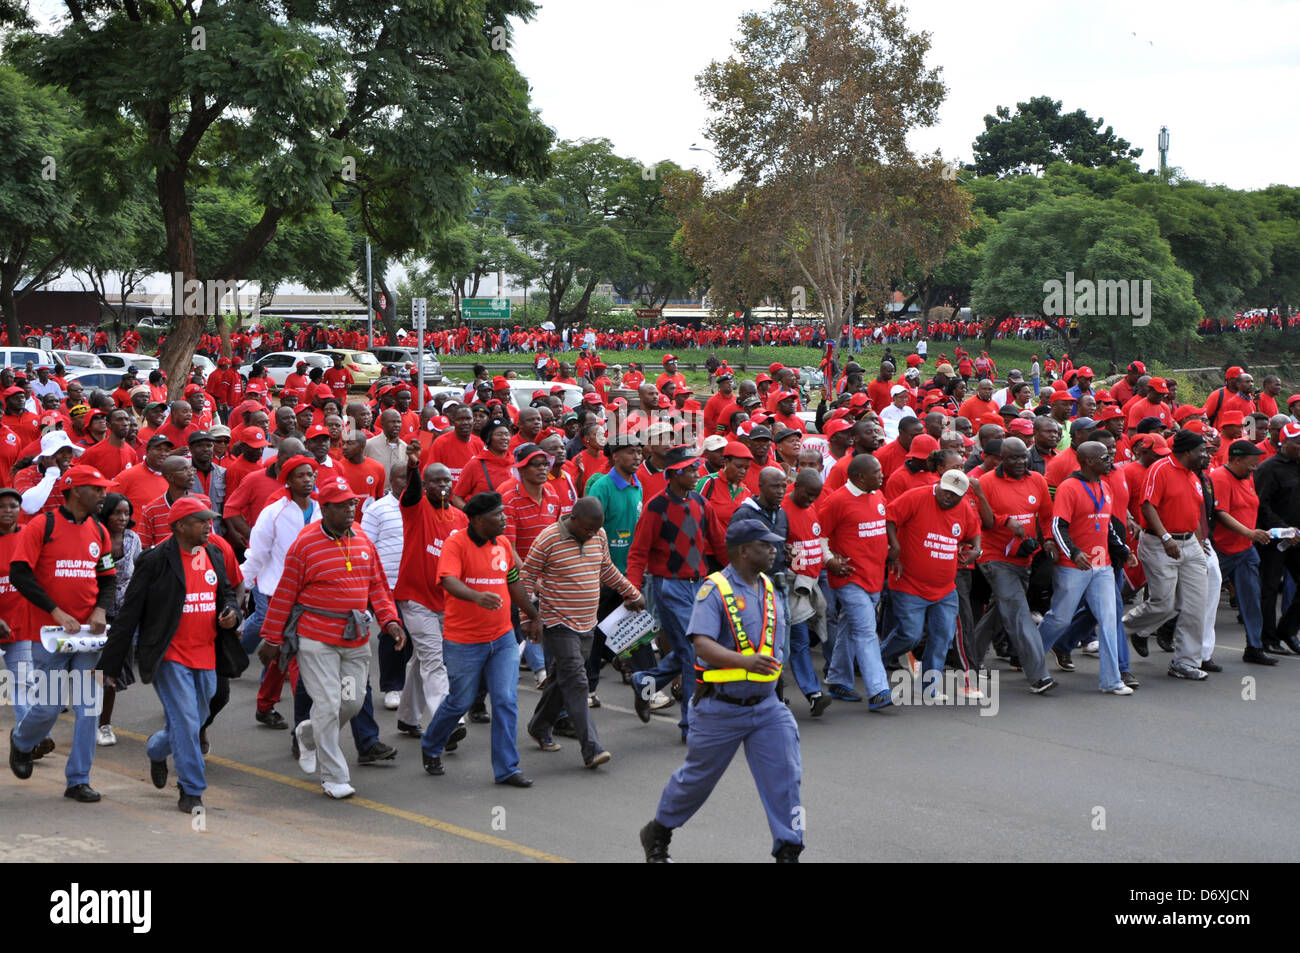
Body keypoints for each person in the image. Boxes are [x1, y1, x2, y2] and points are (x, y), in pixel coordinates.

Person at [639, 519, 802, 863]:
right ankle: (658, 832)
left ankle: (788, 850)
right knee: (696, 780)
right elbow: (701, 645)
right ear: (744, 551)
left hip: (767, 707)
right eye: (764, 545)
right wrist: (746, 662)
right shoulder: (714, 590)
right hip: (721, 707)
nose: (773, 550)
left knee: (786, 776)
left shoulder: (769, 586)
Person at [256, 474, 405, 799]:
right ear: (324, 509)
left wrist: (390, 621)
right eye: (341, 505)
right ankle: (334, 777)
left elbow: (378, 585)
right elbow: (285, 593)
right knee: (327, 704)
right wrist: (272, 637)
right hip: (316, 639)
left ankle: (308, 735)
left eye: (352, 503)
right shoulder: (304, 545)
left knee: (351, 702)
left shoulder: (363, 539)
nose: (350, 509)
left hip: (355, 639)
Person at [100, 497, 241, 812]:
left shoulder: (214, 553)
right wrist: (110, 665)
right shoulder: (154, 560)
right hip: (170, 655)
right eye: (200, 521)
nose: (208, 526)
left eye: (209, 520)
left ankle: (155, 748)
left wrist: (232, 613)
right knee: (188, 721)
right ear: (180, 526)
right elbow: (129, 613)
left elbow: (227, 594)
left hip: (207, 654)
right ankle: (191, 789)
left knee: (196, 718)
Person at [7, 465, 116, 803]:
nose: (103, 494)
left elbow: (108, 579)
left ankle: (78, 779)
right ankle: (22, 741)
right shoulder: (43, 525)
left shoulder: (99, 530)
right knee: (49, 707)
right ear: (75, 491)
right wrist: (55, 610)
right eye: (96, 489)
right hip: (49, 634)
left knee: (88, 709)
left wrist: (100, 610)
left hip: (87, 636)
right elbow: (20, 574)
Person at [420, 491, 541, 786]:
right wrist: (476, 597)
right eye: (497, 515)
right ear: (476, 520)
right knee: (459, 701)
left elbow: (513, 583)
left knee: (505, 700)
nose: (503, 519)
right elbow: (448, 580)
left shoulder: (503, 543)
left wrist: (532, 615)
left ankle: (507, 769)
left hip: (502, 638)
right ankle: (431, 744)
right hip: (464, 641)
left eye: (503, 513)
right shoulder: (455, 543)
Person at [522, 496, 643, 767]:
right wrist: (527, 617)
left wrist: (631, 592)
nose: (592, 534)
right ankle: (592, 749)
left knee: (561, 679)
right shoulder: (548, 539)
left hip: (587, 622)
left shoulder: (598, 535)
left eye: (596, 529)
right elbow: (526, 577)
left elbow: (606, 569)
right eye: (588, 529)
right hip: (558, 623)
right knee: (577, 681)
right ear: (573, 518)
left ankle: (539, 726)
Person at [1037, 442, 1132, 694]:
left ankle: (1112, 681)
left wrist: (1123, 550)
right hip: (1073, 566)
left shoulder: (1104, 486)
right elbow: (1058, 526)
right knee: (1060, 619)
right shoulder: (1069, 487)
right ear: (1089, 461)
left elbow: (1107, 525)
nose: (1110, 460)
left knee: (1109, 621)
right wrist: (1074, 552)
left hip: (1103, 566)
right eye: (1104, 457)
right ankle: (1032, 659)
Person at [879, 469, 982, 700]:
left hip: (945, 588)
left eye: (954, 495)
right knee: (910, 635)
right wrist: (894, 547)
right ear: (939, 485)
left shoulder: (964, 508)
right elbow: (889, 518)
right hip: (909, 584)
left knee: (942, 636)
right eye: (945, 492)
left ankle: (927, 687)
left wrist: (976, 550)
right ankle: (875, 660)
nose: (948, 497)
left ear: (963, 495)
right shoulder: (916, 497)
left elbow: (974, 532)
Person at [969, 437, 1057, 693]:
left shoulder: (1037, 479)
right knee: (1019, 612)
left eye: (1023, 457)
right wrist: (1005, 521)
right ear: (1001, 459)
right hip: (995, 557)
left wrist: (1048, 540)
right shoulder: (986, 482)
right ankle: (1039, 676)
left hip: (1025, 557)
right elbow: (978, 520)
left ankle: (968, 659)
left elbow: (1046, 516)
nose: (1020, 462)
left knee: (1000, 609)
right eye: (1013, 458)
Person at [393, 453, 469, 740]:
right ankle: (448, 720)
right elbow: (411, 491)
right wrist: (414, 467)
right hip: (416, 599)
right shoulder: (415, 507)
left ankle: (408, 717)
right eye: (436, 481)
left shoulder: (460, 517)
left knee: (423, 659)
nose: (443, 485)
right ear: (425, 485)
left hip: (446, 601)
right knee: (435, 659)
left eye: (447, 480)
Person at [241, 455, 321, 729]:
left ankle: (265, 705)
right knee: (297, 654)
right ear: (287, 480)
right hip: (278, 593)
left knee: (282, 653)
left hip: (312, 594)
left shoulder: (322, 510)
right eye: (300, 475)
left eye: (310, 474)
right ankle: (304, 724)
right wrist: (242, 588)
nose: (307, 480)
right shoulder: (273, 513)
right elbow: (257, 554)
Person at [1124, 429, 1211, 679]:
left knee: (1195, 605)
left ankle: (1185, 662)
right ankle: (1121, 629)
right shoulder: (1160, 469)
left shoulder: (1193, 475)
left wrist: (1199, 545)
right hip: (1160, 543)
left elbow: (1193, 513)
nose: (1205, 455)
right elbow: (1147, 505)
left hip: (1190, 543)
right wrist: (1165, 538)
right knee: (1163, 603)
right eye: (1201, 451)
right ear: (1187, 452)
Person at [817, 454, 892, 709]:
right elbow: (819, 535)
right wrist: (829, 560)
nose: (882, 475)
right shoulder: (837, 501)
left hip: (874, 576)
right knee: (866, 630)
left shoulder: (878, 495)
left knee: (850, 627)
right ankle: (878, 690)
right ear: (860, 477)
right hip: (850, 578)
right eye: (877, 472)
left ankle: (838, 679)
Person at [1210, 440, 1276, 665]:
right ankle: (1168, 628)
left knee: (1252, 599)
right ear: (1236, 460)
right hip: (1222, 549)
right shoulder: (1220, 477)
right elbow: (1220, 513)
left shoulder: (1247, 477)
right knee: (1200, 598)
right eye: (1251, 463)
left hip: (1245, 550)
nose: (1255, 468)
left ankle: (1254, 647)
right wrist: (1249, 532)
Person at [94, 493, 142, 747]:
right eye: (117, 513)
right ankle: (89, 718)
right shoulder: (95, 535)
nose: (122, 518)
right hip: (94, 612)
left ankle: (104, 724)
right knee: (94, 670)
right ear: (106, 513)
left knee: (111, 674)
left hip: (124, 615)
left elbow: (140, 573)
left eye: (126, 513)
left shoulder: (133, 539)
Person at [360, 461, 409, 708]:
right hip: (388, 585)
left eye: (411, 477)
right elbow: (365, 546)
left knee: (417, 636)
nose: (407, 482)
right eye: (402, 477)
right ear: (391, 481)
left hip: (417, 585)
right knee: (392, 632)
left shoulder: (423, 507)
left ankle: (413, 688)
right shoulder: (377, 510)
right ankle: (392, 686)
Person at [1252, 420, 1300, 656]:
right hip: (1273, 538)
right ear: (1285, 443)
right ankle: (1267, 638)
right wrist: (1285, 530)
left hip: (1297, 538)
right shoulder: (1268, 468)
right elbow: (1261, 506)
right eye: (1298, 443)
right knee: (1269, 588)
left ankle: (1287, 630)